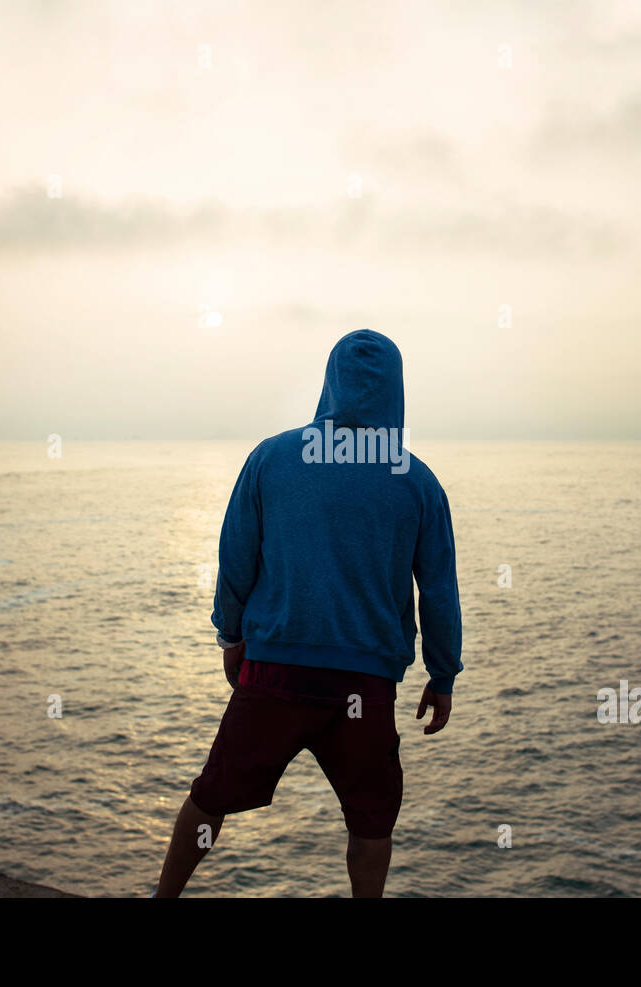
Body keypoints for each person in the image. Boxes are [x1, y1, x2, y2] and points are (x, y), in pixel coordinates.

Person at [154, 329, 463, 898]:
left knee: (212, 796)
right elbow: (438, 592)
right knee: (372, 821)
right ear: (396, 388)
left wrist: (231, 636)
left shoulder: (273, 459)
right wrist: (442, 675)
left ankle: (163, 898)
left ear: (330, 381)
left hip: (276, 672)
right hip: (364, 684)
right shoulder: (417, 482)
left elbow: (236, 558)